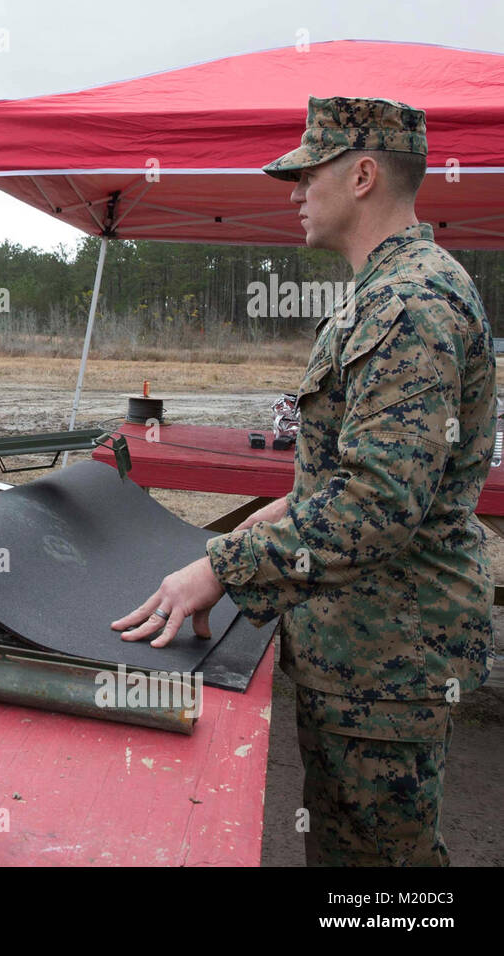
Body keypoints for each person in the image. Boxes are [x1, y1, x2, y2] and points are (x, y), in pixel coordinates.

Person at [111, 96, 494, 866]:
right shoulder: (389, 290)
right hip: (365, 649)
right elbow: (367, 466)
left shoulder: (409, 305)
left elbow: (381, 505)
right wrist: (294, 499)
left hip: (387, 658)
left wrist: (219, 568)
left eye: (305, 174)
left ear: (360, 175)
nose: (292, 193)